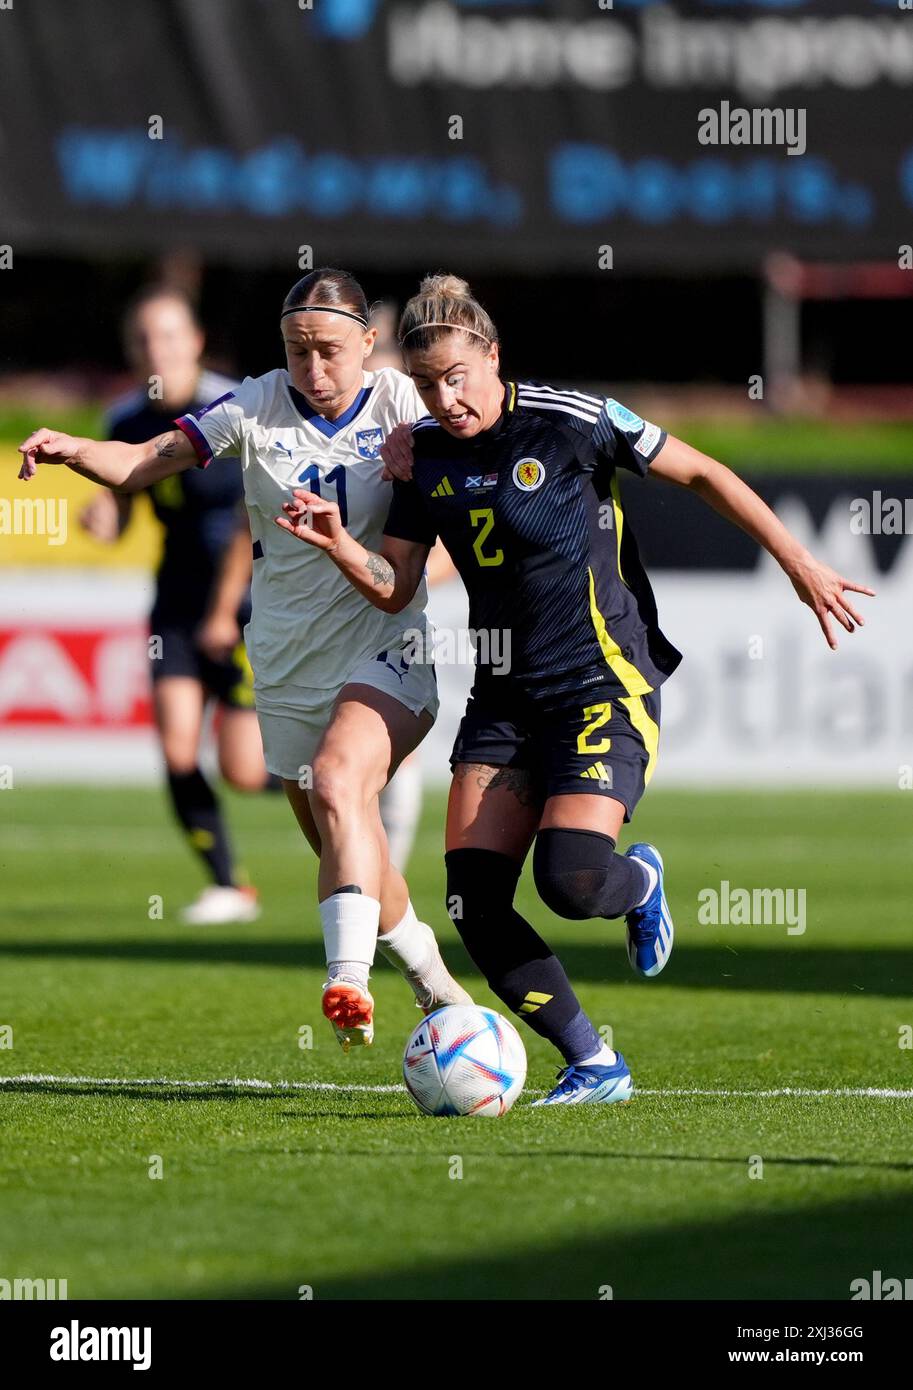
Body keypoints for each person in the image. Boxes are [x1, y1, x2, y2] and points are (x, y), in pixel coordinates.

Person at [276, 272, 874, 1105]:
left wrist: (799, 563)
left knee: (570, 881)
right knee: (472, 901)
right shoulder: (425, 456)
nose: (445, 399)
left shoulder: (574, 420)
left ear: (491, 354)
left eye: (457, 376)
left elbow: (702, 474)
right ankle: (593, 1062)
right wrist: (343, 544)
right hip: (504, 698)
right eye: (424, 384)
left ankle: (640, 884)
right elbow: (398, 584)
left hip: (602, 685)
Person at [17, 268, 471, 1050]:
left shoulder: (406, 404)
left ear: (370, 343)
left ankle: (345, 980)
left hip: (387, 647)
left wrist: (434, 441)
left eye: (330, 351)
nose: (314, 370)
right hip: (289, 665)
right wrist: (72, 450)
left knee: (338, 784)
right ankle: (442, 993)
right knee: (342, 840)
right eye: (298, 352)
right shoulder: (252, 406)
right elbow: (145, 458)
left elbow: (487, 427)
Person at [80, 285, 267, 925]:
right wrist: (102, 516)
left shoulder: (236, 406)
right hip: (175, 603)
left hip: (243, 602)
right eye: (142, 339)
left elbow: (251, 519)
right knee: (179, 748)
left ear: (194, 341)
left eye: (167, 336)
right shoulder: (124, 421)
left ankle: (342, 783)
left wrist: (223, 612)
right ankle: (227, 886)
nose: (154, 350)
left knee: (244, 770)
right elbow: (125, 508)